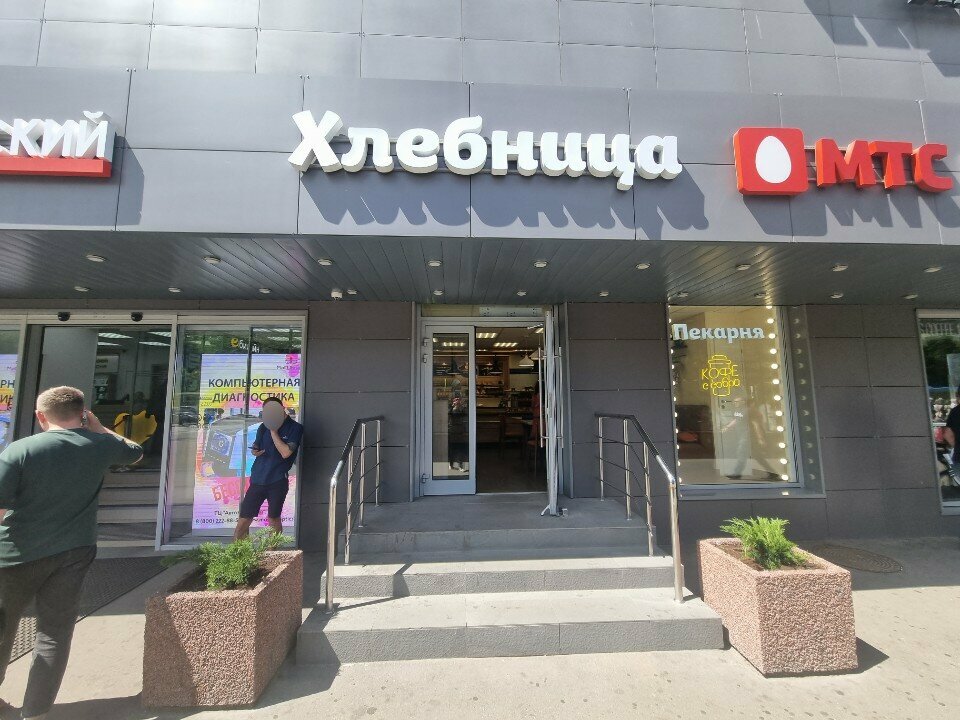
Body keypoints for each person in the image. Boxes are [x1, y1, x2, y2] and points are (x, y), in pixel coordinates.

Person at [0, 386, 143, 720]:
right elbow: (134, 452)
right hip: (74, 551)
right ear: (82, 414)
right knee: (54, 633)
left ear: (40, 416)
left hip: (14, 555)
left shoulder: (20, 450)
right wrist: (99, 427)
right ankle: (36, 711)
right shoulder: (98, 445)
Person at [233, 398, 303, 540]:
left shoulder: (295, 428)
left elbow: (286, 452)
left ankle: (272, 550)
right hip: (258, 478)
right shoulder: (262, 427)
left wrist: (273, 431)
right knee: (245, 517)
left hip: (277, 479)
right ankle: (237, 550)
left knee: (273, 518)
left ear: (282, 408)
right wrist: (255, 451)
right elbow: (256, 446)